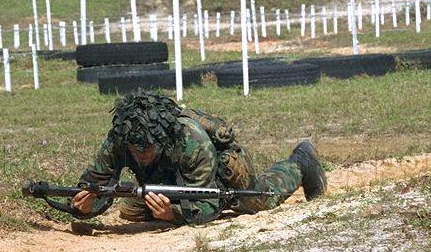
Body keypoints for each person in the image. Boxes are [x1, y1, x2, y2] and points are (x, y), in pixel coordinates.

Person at [72, 91, 327, 225]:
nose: (142, 154)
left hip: (218, 176)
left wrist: (173, 214)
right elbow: (94, 183)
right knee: (132, 210)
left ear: (162, 139)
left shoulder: (192, 141)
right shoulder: (119, 139)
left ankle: (300, 161)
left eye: (148, 148)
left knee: (256, 200)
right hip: (171, 181)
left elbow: (208, 204)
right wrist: (85, 207)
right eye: (135, 149)